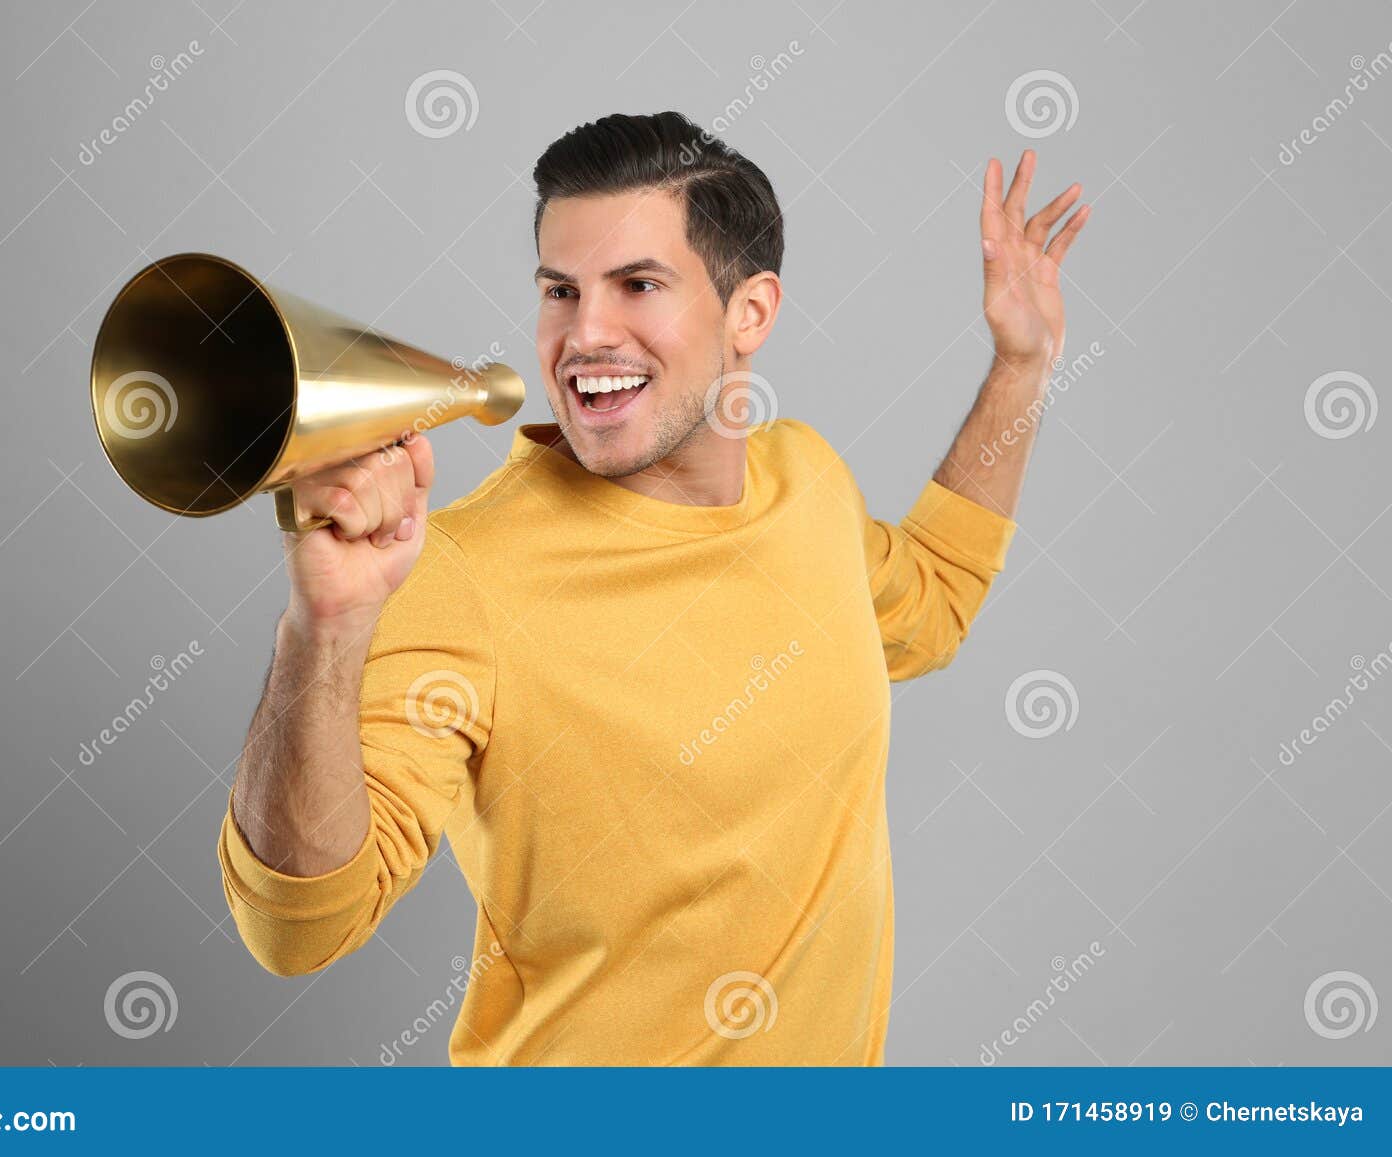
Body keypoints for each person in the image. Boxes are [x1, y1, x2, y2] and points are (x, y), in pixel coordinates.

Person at [216, 110, 1090, 1064]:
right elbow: (297, 930)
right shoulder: (459, 576)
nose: (586, 332)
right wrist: (324, 628)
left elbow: (932, 600)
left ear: (750, 311)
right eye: (561, 290)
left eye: (638, 285)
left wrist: (1022, 363)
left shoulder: (806, 481)